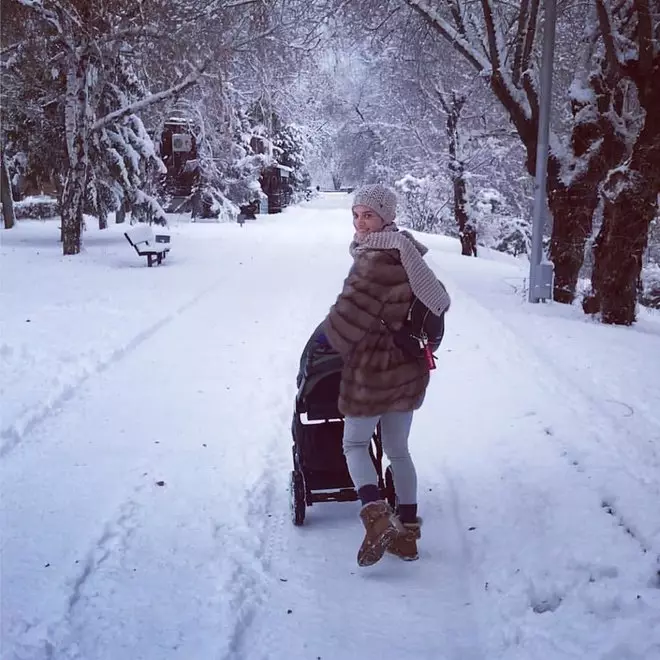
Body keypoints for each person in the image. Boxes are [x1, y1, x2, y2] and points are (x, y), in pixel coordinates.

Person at [319, 183, 450, 567]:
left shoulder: (373, 260)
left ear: (386, 217)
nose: (361, 223)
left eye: (369, 215)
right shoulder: (406, 252)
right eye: (356, 215)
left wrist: (324, 342)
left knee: (355, 446)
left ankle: (377, 520)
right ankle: (407, 535)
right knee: (398, 451)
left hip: (372, 374)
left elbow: (346, 320)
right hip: (407, 371)